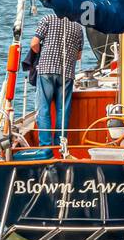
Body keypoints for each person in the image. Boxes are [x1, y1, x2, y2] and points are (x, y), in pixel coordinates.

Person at [29, 10, 85, 148]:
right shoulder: (78, 26)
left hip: (47, 69)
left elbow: (34, 44)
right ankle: (60, 144)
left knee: (43, 109)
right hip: (66, 73)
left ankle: (46, 145)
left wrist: (43, 52)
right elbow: (78, 56)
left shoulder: (47, 19)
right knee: (63, 111)